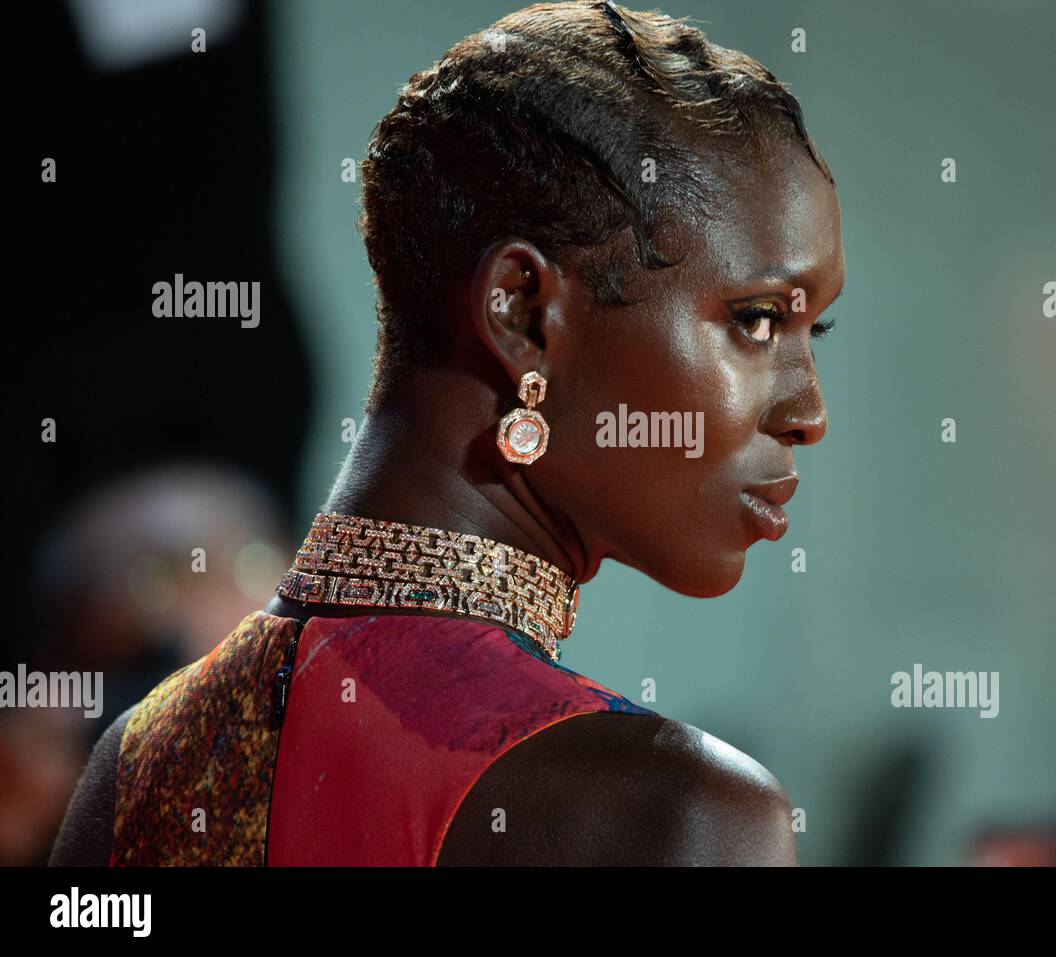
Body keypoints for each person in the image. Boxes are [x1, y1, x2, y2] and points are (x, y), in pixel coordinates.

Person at [49, 0, 844, 866]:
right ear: (525, 315)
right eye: (759, 320)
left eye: (815, 333)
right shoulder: (680, 813)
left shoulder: (134, 767)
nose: (807, 411)